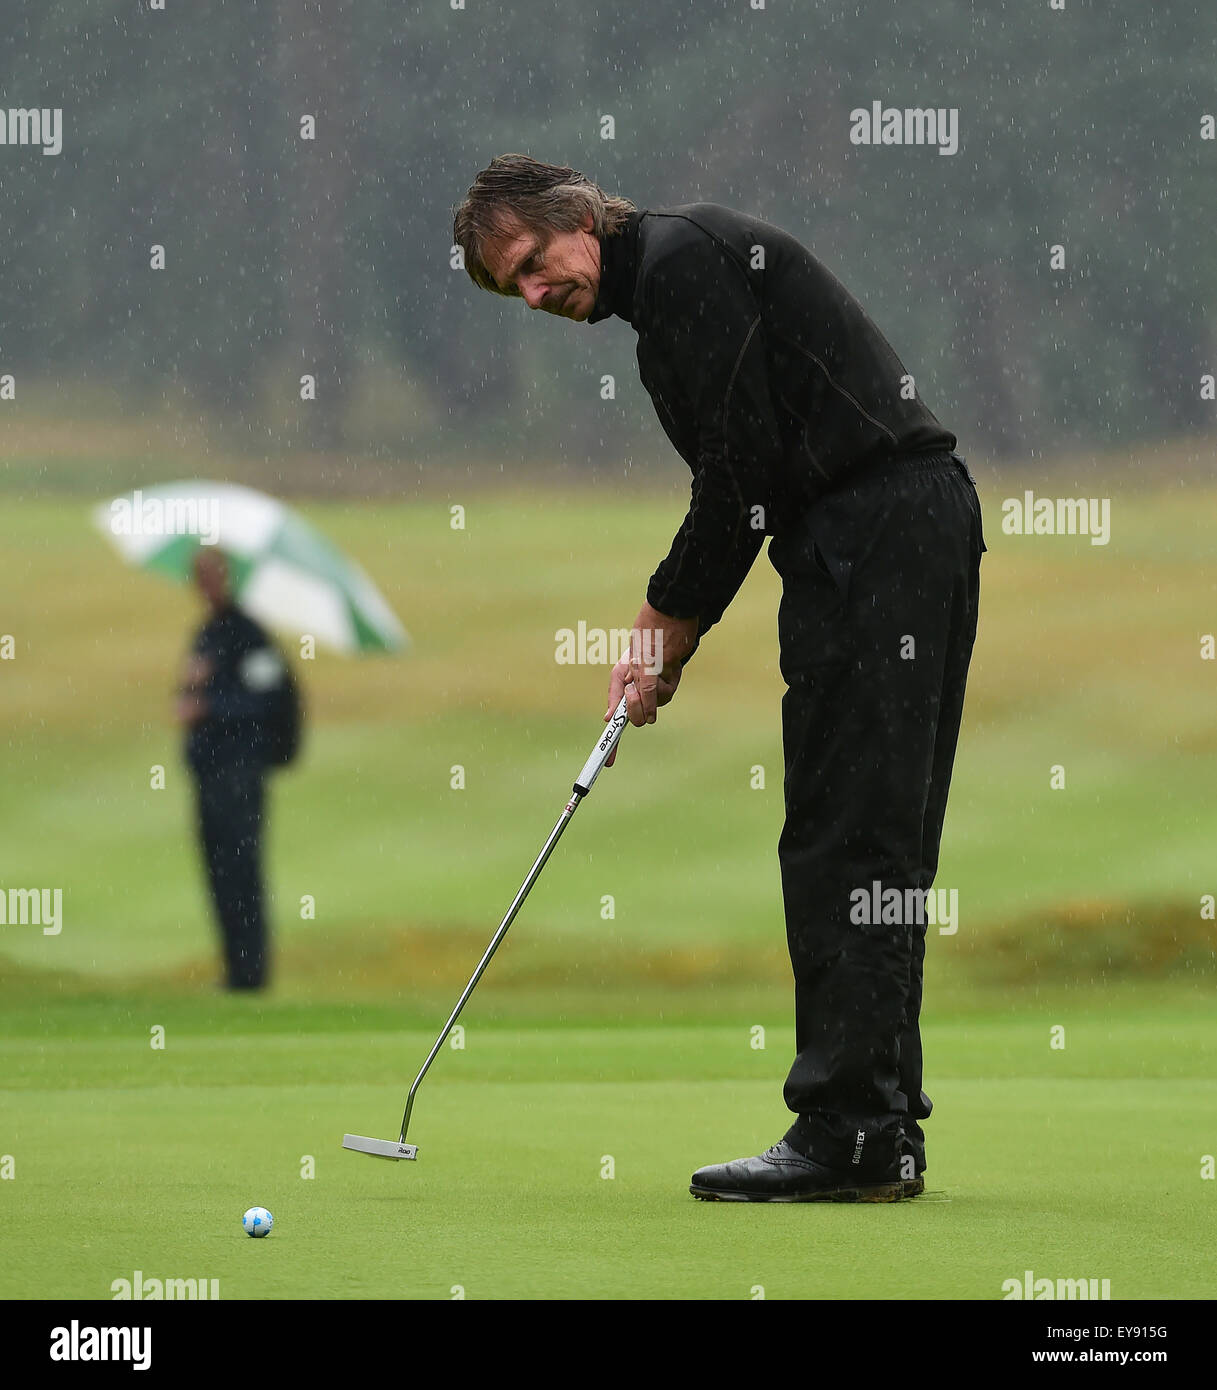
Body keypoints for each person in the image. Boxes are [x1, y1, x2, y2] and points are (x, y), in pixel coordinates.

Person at [453, 154, 985, 1202]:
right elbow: (742, 478)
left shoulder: (686, 263)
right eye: (509, 288)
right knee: (869, 834)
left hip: (875, 531)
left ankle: (848, 1132)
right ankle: (878, 1124)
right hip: (886, 531)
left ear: (576, 219)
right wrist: (672, 631)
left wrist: (662, 624)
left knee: (847, 834)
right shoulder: (664, 293)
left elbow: (741, 474)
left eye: (530, 262)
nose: (532, 292)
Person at [176, 548, 292, 992]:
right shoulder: (206, 635)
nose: (206, 584)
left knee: (243, 869)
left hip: (240, 774)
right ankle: (234, 970)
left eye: (213, 575)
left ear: (229, 578)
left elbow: (266, 699)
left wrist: (209, 705)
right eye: (199, 575)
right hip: (208, 773)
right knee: (218, 871)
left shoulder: (249, 634)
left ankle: (252, 974)